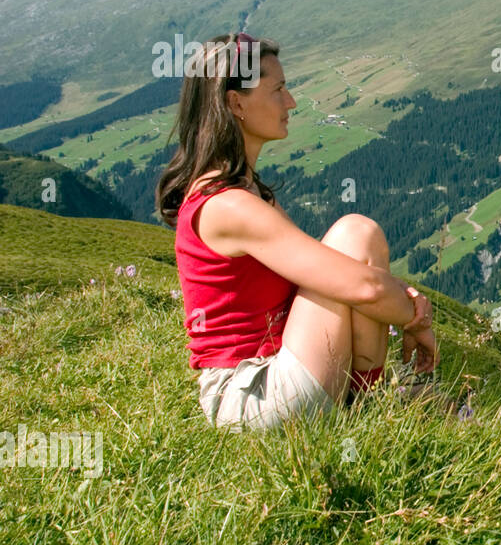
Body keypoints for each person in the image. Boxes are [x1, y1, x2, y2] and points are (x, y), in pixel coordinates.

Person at [155, 32, 438, 430]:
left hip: (277, 374)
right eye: (278, 90)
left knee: (358, 236)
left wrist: (402, 303)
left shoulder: (242, 190)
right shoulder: (229, 205)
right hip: (248, 397)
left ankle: (362, 407)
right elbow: (366, 288)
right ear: (236, 103)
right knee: (354, 239)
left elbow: (347, 279)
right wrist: (417, 320)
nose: (290, 102)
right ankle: (363, 407)